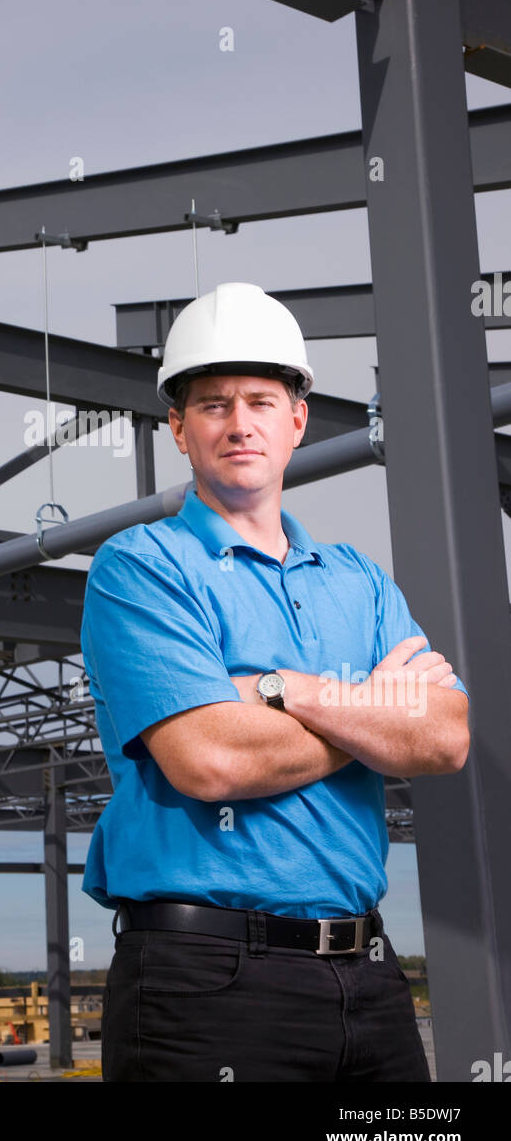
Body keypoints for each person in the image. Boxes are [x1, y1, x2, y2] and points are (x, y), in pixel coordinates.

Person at [80, 281, 469, 1083]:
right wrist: (370, 711)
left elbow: (445, 736)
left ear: (297, 419)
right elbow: (210, 761)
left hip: (369, 974)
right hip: (205, 983)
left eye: (261, 399)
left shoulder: (357, 579)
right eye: (213, 404)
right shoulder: (142, 567)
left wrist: (289, 689)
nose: (239, 422)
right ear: (178, 430)